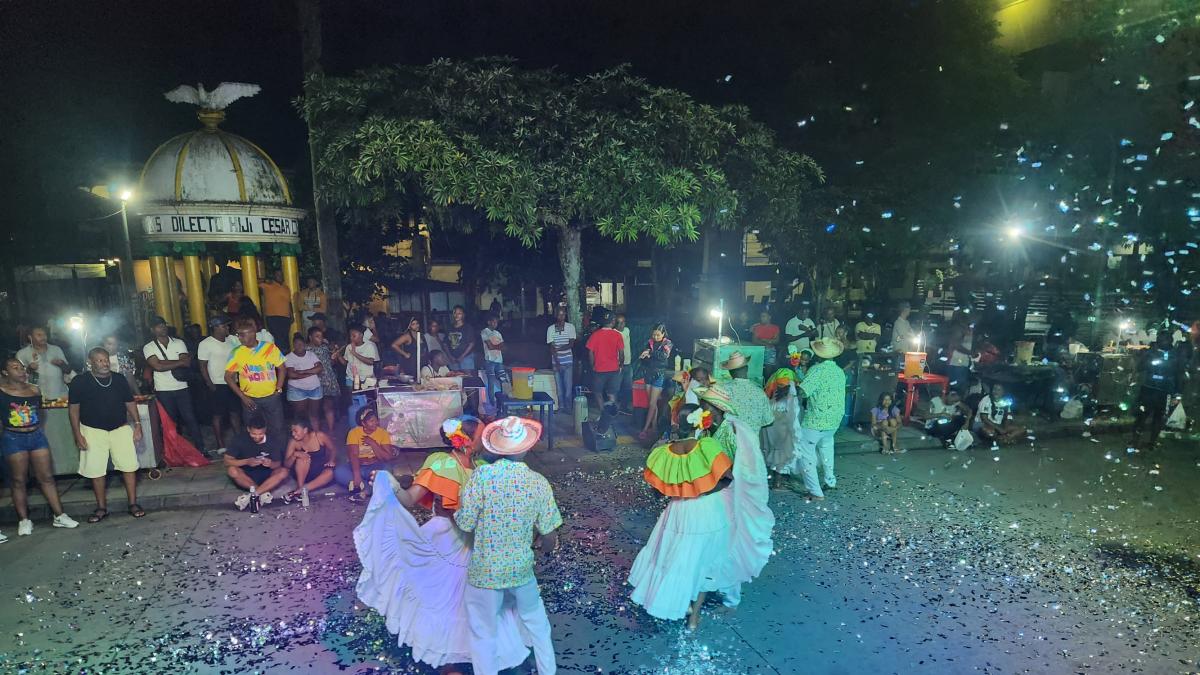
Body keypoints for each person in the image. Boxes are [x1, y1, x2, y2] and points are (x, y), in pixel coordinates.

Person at [354, 416, 533, 673]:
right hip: (446, 539)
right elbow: (409, 499)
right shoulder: (441, 462)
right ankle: (450, 661)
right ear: (465, 441)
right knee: (448, 601)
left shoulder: (482, 465)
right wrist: (391, 485)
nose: (486, 439)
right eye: (481, 435)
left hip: (477, 543)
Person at [629, 397, 773, 629]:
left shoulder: (662, 452)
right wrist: (702, 490)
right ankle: (693, 619)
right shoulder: (708, 447)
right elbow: (726, 478)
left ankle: (680, 603)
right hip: (708, 512)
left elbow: (658, 491)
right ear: (701, 424)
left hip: (677, 512)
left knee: (676, 559)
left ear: (677, 422)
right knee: (706, 562)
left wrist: (682, 491)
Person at [456, 416, 561, 675]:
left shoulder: (481, 477)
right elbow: (549, 535)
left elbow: (465, 524)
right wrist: (545, 546)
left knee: (484, 635)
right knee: (538, 626)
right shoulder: (538, 482)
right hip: (521, 570)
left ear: (497, 448)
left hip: (486, 572)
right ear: (525, 448)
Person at [1, 358, 79, 537]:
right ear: (5, 373)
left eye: (21, 367)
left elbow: (40, 413)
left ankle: (59, 515)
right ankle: (24, 520)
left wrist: (35, 429)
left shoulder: (34, 389)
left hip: (36, 436)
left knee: (47, 477)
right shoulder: (2, 392)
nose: (21, 370)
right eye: (15, 368)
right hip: (13, 437)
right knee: (19, 480)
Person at [68, 347, 146, 522]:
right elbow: (73, 410)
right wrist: (77, 435)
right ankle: (101, 507)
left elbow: (130, 402)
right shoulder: (80, 382)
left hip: (120, 428)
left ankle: (133, 503)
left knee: (129, 466)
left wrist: (138, 425)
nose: (104, 363)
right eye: (100, 360)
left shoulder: (118, 379)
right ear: (90, 362)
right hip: (92, 430)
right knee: (96, 470)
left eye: (106, 360)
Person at [792, 339, 846, 501]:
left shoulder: (817, 370)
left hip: (816, 420)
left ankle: (815, 491)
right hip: (835, 419)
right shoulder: (839, 371)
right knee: (827, 447)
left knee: (806, 453)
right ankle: (830, 481)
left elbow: (803, 392)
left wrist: (791, 384)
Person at [144, 316, 206, 455]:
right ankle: (175, 451)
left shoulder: (178, 342)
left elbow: (186, 362)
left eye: (163, 324)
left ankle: (201, 448)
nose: (163, 327)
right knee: (170, 422)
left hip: (181, 387)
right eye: (159, 326)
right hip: (163, 388)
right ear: (153, 330)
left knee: (190, 418)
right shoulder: (149, 347)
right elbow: (157, 367)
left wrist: (163, 362)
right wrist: (178, 362)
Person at [224, 319, 288, 446]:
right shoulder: (236, 352)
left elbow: (282, 368)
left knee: (277, 429)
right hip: (250, 400)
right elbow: (228, 377)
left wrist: (279, 389)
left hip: (271, 397)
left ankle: (279, 457)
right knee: (252, 430)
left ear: (253, 334)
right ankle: (256, 456)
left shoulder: (269, 348)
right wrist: (243, 397)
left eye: (242, 335)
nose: (239, 338)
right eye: (238, 335)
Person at [223, 414, 289, 510]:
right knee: (231, 470)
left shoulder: (273, 440)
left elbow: (278, 464)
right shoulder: (239, 439)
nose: (257, 437)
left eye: (260, 434)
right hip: (247, 475)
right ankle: (263, 492)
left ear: (265, 430)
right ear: (248, 429)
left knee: (284, 472)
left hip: (267, 474)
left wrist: (270, 464)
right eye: (254, 434)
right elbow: (226, 461)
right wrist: (246, 462)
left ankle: (253, 496)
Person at [197, 316, 240, 450]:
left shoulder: (232, 340)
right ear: (215, 328)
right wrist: (209, 384)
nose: (227, 328)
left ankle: (239, 442)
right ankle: (220, 444)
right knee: (218, 415)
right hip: (217, 383)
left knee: (235, 413)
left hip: (233, 382)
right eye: (224, 326)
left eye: (227, 326)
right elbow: (202, 365)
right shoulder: (205, 344)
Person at [1131, 332, 1179, 450]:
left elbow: (1140, 367)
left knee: (1148, 416)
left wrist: (1176, 394)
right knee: (1150, 416)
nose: (1162, 342)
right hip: (1157, 389)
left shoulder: (1154, 353)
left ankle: (1140, 442)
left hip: (1154, 389)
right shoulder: (1173, 355)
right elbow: (1179, 374)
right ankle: (1143, 442)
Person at [338, 407, 397, 494]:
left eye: (376, 420)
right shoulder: (354, 433)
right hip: (358, 466)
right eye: (371, 421)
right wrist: (357, 474)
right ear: (363, 423)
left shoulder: (383, 433)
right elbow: (353, 455)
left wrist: (373, 443)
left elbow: (387, 457)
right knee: (339, 471)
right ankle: (367, 486)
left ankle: (360, 487)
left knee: (387, 470)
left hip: (374, 466)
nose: (375, 423)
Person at [762, 369, 803, 490]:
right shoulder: (790, 397)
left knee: (774, 451)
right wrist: (796, 433)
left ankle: (774, 478)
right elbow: (794, 415)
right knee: (783, 454)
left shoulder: (773, 396)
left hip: (772, 428)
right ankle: (777, 483)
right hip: (784, 427)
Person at [282, 418, 337, 500]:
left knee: (330, 473)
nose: (293, 434)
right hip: (303, 475)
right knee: (302, 459)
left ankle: (300, 491)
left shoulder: (319, 436)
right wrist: (294, 455)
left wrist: (331, 460)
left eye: (295, 431)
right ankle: (300, 487)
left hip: (319, 472)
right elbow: (286, 465)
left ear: (305, 430)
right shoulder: (293, 442)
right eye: (292, 431)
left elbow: (333, 449)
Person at [719, 351, 774, 429]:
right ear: (747, 368)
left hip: (729, 439)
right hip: (752, 439)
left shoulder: (723, 390)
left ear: (730, 371)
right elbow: (769, 421)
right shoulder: (759, 392)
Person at [637, 323, 674, 440]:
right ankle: (654, 427)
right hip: (648, 374)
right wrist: (644, 356)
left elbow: (663, 356)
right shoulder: (650, 342)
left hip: (659, 375)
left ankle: (645, 429)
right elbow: (645, 356)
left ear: (663, 334)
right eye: (654, 334)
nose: (655, 337)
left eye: (658, 335)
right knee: (651, 404)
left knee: (652, 404)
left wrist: (650, 353)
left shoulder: (667, 343)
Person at [585, 308, 625, 413]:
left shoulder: (595, 335)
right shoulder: (617, 335)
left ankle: (603, 412)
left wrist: (592, 365)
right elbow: (621, 353)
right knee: (611, 393)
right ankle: (611, 414)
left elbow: (590, 352)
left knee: (597, 392)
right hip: (614, 369)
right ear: (613, 322)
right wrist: (621, 365)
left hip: (599, 369)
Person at [17, 326, 71, 401]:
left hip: (60, 396)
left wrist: (61, 364)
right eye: (39, 335)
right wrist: (29, 369)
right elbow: (17, 377)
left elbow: (68, 370)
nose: (43, 337)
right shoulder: (22, 354)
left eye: (44, 335)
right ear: (30, 337)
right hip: (35, 397)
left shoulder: (56, 349)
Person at [340, 324, 380, 423]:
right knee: (354, 401)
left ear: (361, 335)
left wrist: (355, 353)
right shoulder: (349, 347)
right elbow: (345, 362)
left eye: (354, 336)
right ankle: (356, 422)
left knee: (368, 401)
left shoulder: (369, 346)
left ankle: (368, 421)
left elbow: (371, 362)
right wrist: (337, 356)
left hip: (367, 378)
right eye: (350, 336)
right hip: (351, 377)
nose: (351, 338)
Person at [285, 333, 324, 432]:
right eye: (296, 344)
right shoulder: (289, 357)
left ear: (305, 345)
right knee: (300, 416)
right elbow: (291, 374)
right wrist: (311, 372)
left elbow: (320, 368)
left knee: (314, 415)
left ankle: (316, 437)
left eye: (301, 344)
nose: (299, 346)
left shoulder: (311, 354)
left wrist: (303, 372)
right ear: (293, 345)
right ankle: (301, 436)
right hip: (297, 390)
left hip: (314, 388)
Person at [306, 327, 341, 432]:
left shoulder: (325, 348)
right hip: (314, 381)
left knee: (328, 406)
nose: (320, 339)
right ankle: (317, 433)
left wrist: (333, 358)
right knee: (313, 410)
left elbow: (331, 363)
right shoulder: (306, 350)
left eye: (321, 337)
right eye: (317, 337)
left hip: (327, 380)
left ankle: (331, 431)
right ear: (310, 337)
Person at [546, 308, 577, 414]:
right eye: (559, 315)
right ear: (556, 316)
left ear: (565, 316)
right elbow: (551, 347)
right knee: (559, 388)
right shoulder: (550, 329)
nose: (561, 317)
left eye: (563, 315)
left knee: (568, 388)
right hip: (556, 362)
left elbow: (571, 344)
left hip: (568, 361)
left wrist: (558, 349)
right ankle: (561, 407)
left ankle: (568, 408)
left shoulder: (570, 327)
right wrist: (557, 362)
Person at [259, 270, 294, 352]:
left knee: (285, 338)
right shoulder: (268, 285)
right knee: (277, 339)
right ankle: (278, 357)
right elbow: (255, 281)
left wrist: (291, 315)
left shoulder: (286, 287)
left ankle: (285, 356)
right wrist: (266, 279)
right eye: (277, 274)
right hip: (273, 317)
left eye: (281, 274)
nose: (280, 276)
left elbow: (289, 302)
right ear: (274, 276)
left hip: (285, 317)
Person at [480, 314, 507, 399]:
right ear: (489, 322)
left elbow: (504, 347)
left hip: (499, 360)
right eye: (494, 322)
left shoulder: (498, 333)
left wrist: (495, 346)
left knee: (504, 380)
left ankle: (506, 401)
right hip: (490, 361)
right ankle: (492, 403)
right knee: (491, 382)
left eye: (497, 322)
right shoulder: (484, 332)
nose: (496, 324)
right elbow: (490, 347)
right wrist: (498, 346)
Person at [446, 306, 478, 373]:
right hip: (453, 358)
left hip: (466, 358)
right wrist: (450, 356)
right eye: (455, 313)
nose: (456, 315)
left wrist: (462, 357)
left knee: (467, 377)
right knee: (455, 378)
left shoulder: (468, 327)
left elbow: (471, 344)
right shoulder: (449, 327)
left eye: (459, 313)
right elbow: (445, 344)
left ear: (463, 315)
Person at [615, 313, 633, 414]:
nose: (621, 325)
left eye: (623, 322)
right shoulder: (613, 333)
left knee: (627, 387)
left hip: (628, 363)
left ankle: (623, 407)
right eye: (619, 323)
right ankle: (614, 408)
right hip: (617, 365)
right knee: (616, 387)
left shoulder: (627, 330)